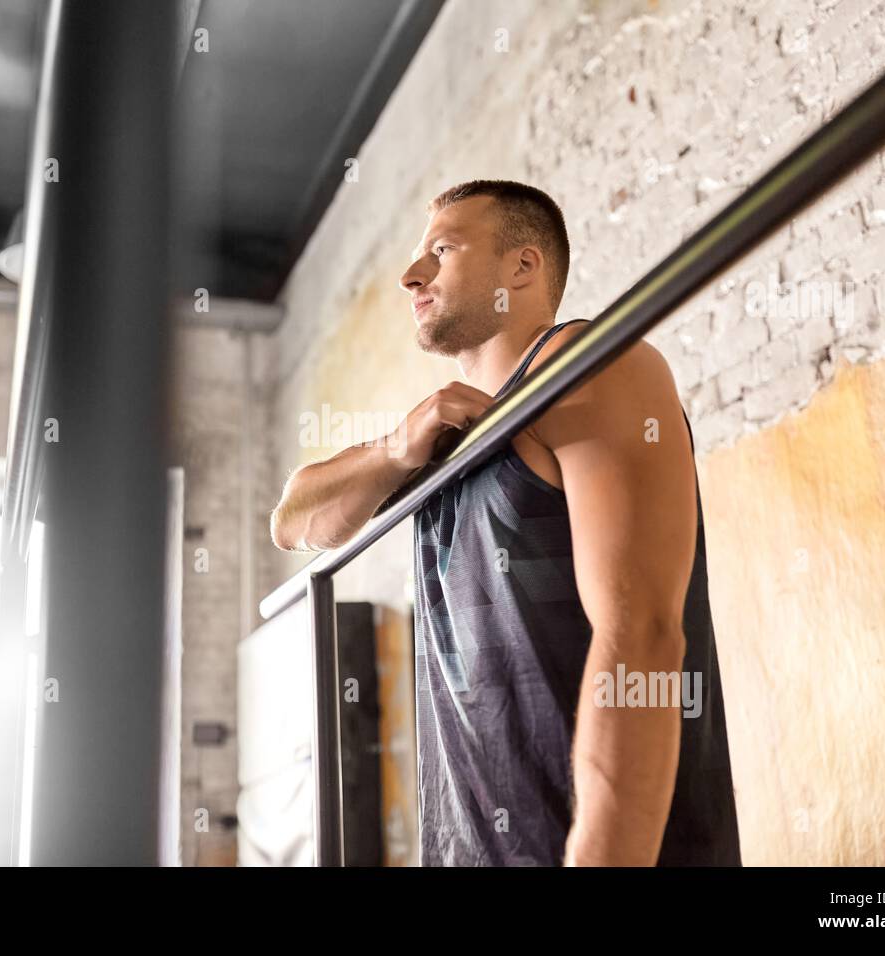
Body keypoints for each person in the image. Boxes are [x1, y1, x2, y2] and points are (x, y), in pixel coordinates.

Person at [270, 179, 740, 866]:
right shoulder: (436, 442)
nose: (411, 274)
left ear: (521, 267)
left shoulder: (588, 364)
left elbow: (642, 634)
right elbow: (293, 521)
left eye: (441, 250)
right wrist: (395, 449)